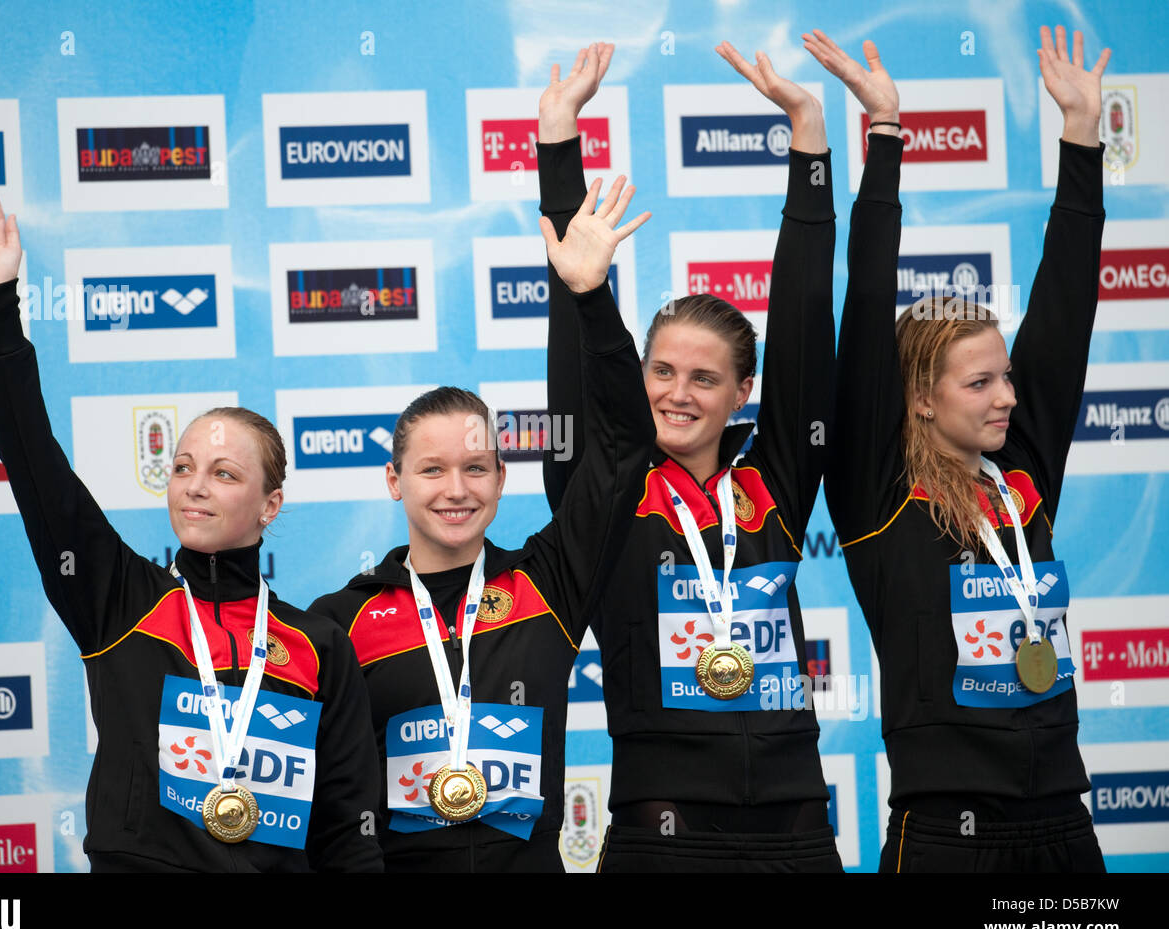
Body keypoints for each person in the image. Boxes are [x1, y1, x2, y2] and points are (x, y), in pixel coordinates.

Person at [0, 186, 382, 872]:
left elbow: (348, 834)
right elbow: (37, 470)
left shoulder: (316, 643)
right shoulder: (119, 600)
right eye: (183, 467)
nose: (196, 485)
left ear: (271, 505)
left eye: (224, 473)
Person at [813, 25, 1109, 871]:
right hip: (948, 832)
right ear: (918, 396)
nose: (1008, 398)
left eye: (1007, 379)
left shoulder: (1019, 482)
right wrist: (885, 138)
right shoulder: (880, 494)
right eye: (979, 384)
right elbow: (867, 302)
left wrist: (1081, 136)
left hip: (1063, 819)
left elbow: (1067, 309)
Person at [540, 42, 840, 871]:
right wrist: (558, 147)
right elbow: (576, 339)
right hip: (659, 835)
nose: (678, 393)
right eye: (661, 371)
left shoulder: (774, 480)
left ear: (741, 394)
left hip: (798, 833)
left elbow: (809, 317)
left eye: (704, 379)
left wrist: (809, 139)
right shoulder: (603, 488)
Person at [310, 174, 654, 872]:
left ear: (502, 479)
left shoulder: (549, 581)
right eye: (432, 470)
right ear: (394, 481)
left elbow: (622, 444)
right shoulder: (337, 622)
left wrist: (589, 299)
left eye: (475, 468)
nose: (456, 489)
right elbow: (328, 805)